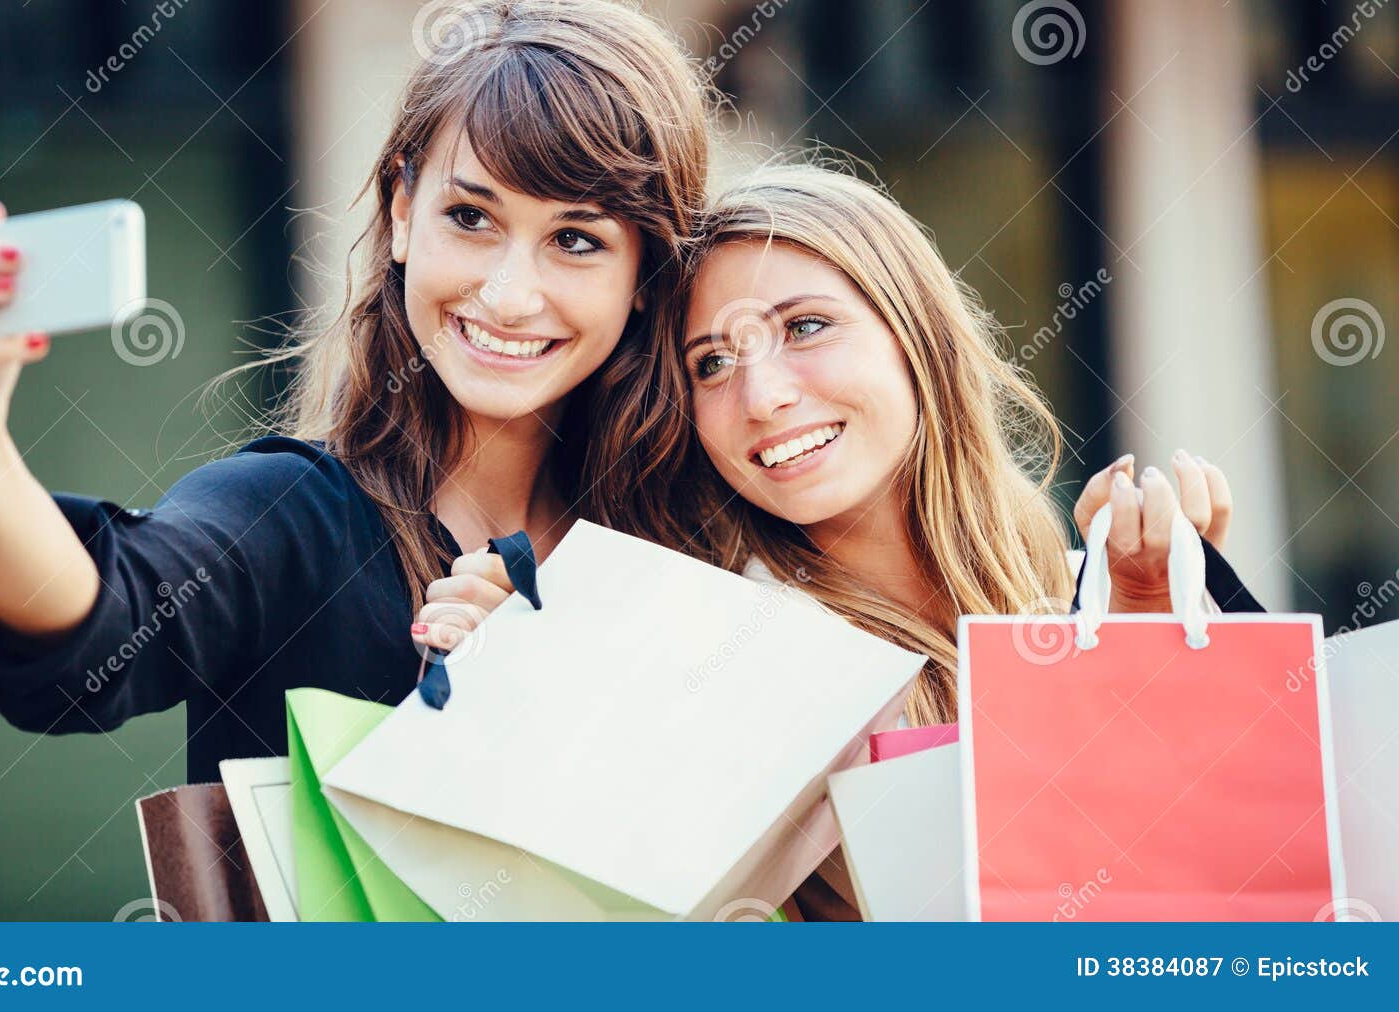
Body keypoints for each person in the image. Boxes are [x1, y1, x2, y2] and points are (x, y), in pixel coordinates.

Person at [0, 0, 712, 782]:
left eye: (575, 239)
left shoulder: (691, 541)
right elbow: (100, 625)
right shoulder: (291, 517)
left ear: (645, 273)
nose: (507, 293)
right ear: (400, 210)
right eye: (470, 217)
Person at [413, 163, 1237, 920]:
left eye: (805, 328)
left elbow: (1215, 889)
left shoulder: (1085, 589)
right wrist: (538, 689)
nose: (765, 397)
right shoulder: (715, 658)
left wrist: (1149, 623)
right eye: (712, 364)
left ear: (915, 334)